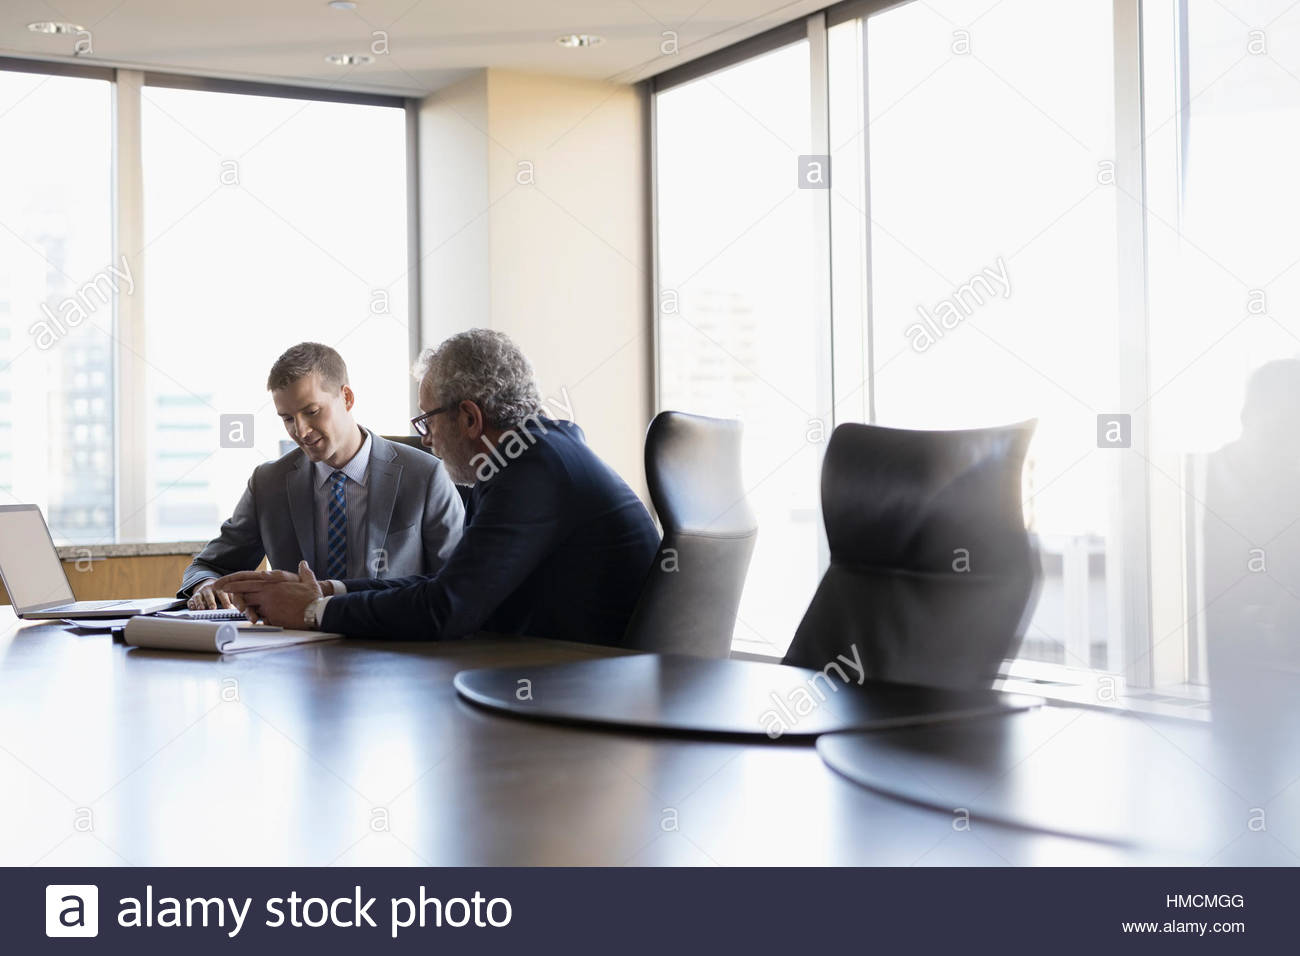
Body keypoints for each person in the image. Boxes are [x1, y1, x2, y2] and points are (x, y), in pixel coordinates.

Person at [214, 329, 660, 645]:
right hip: (577, 668)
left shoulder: (533, 475)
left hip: (592, 683)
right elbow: (446, 584)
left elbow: (447, 607)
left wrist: (311, 612)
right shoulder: (528, 458)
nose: (425, 438)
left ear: (469, 418)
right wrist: (328, 591)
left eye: (428, 419)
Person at [180, 342, 464, 608]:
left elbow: (457, 587)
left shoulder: (426, 477)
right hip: (294, 651)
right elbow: (208, 566)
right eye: (287, 419)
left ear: (347, 398)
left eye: (312, 411)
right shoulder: (269, 484)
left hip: (393, 646)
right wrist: (207, 584)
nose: (300, 431)